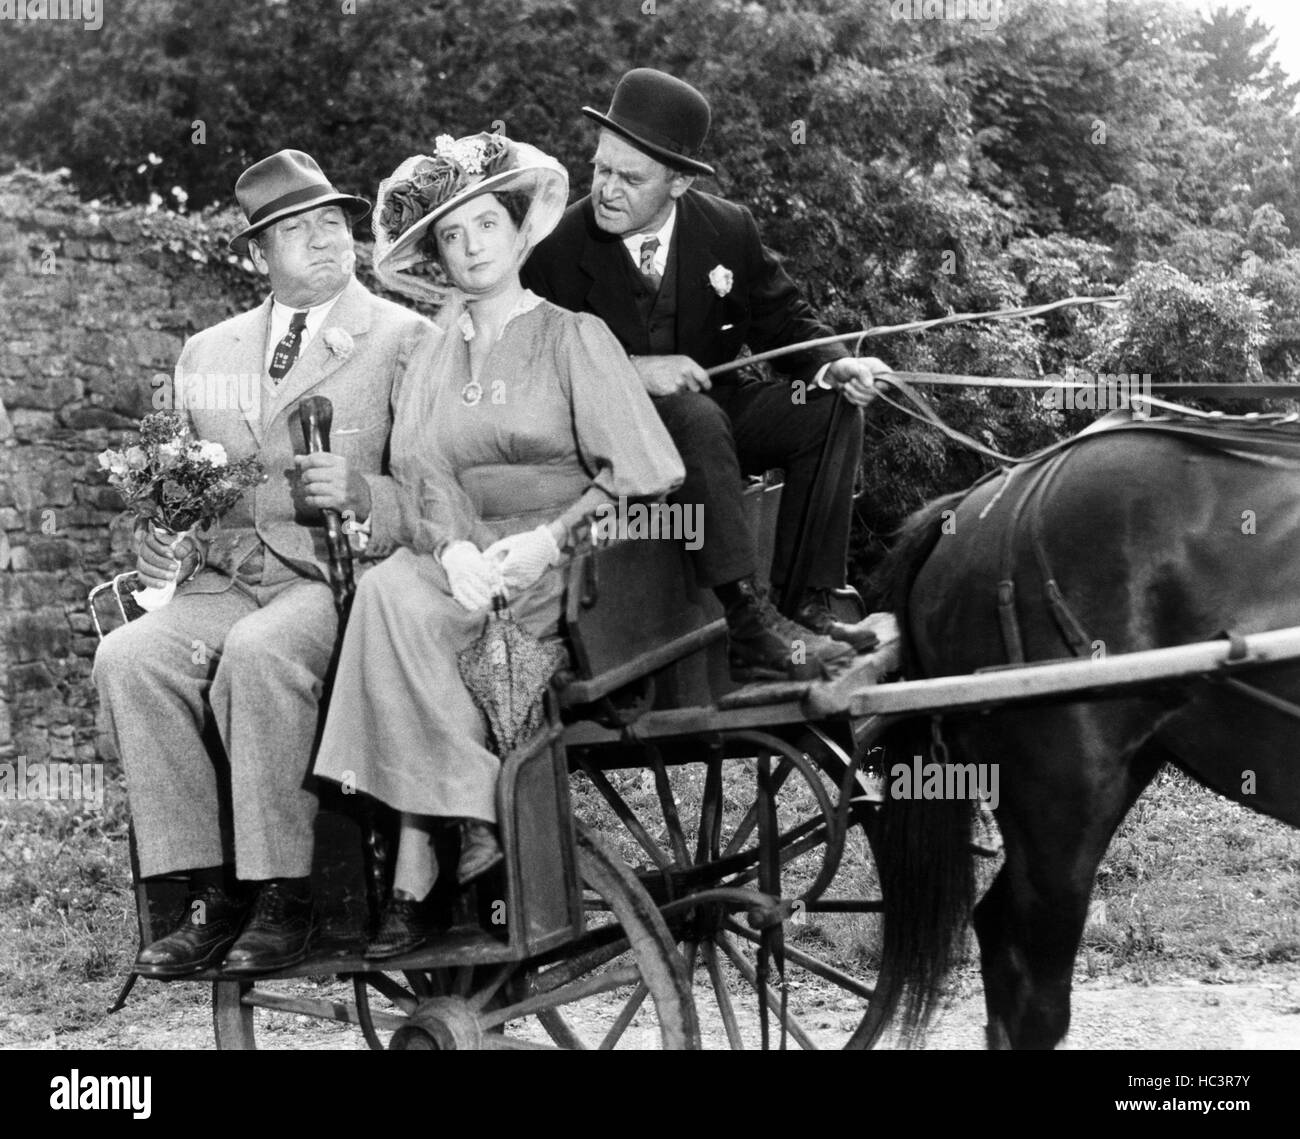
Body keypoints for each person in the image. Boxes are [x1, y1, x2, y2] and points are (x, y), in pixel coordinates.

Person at [311, 133, 685, 957]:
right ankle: (474, 812)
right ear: (438, 256)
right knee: (384, 593)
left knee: (409, 616)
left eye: (487, 225)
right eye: (453, 234)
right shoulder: (430, 355)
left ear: (521, 233)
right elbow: (419, 482)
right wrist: (448, 552)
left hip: (564, 566)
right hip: (463, 559)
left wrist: (550, 542)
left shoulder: (573, 336)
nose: (473, 246)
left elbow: (645, 473)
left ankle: (419, 859)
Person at [93, 150, 434, 976]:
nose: (324, 242)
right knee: (129, 654)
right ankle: (206, 891)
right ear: (257, 254)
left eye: (333, 223)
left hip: (337, 575)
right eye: (296, 230)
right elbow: (172, 495)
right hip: (224, 577)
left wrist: (362, 491)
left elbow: (431, 492)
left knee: (259, 653)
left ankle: (289, 894)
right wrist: (158, 544)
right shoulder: (203, 354)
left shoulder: (401, 337)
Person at [523, 68, 894, 680]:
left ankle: (801, 602)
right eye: (601, 170)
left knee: (829, 411)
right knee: (694, 417)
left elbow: (786, 319)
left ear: (678, 182)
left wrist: (836, 364)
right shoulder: (556, 249)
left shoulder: (728, 229)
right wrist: (635, 370)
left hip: (721, 415)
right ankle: (750, 626)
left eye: (630, 178)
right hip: (612, 435)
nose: (607, 191)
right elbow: (538, 365)